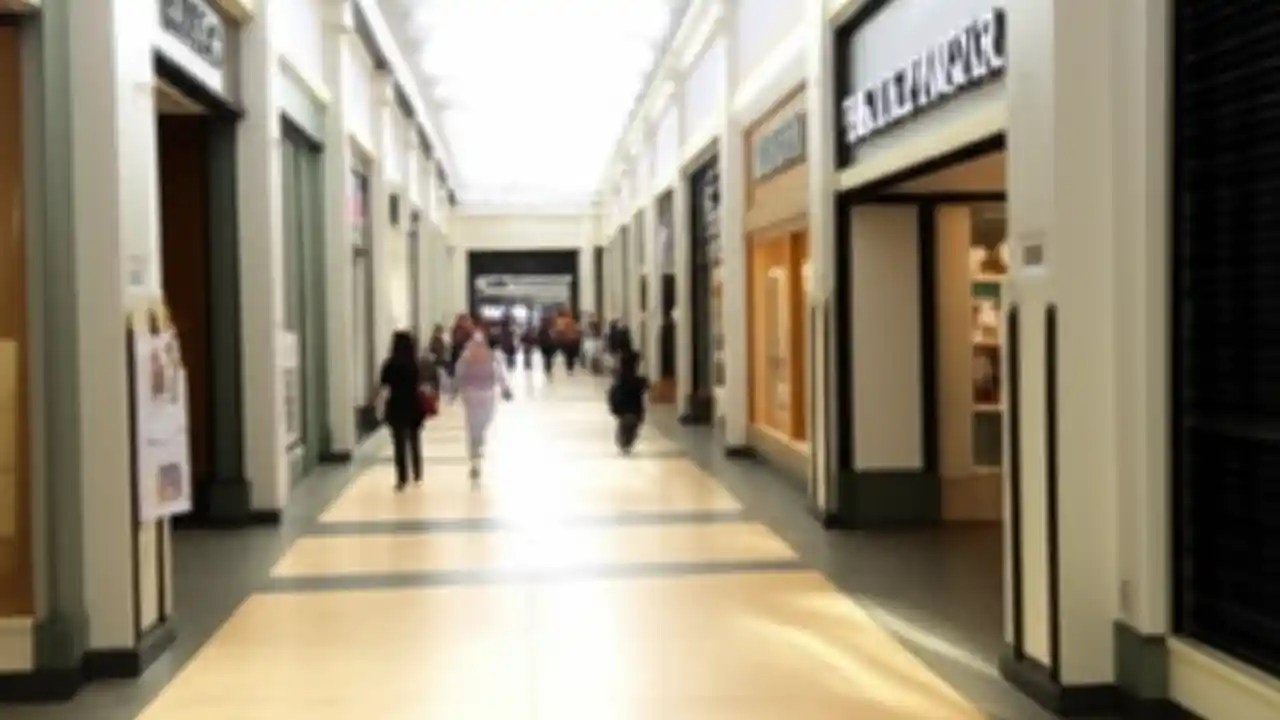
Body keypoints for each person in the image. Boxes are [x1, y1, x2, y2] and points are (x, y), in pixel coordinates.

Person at [452, 331, 513, 482]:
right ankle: (475, 455)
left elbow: (499, 374)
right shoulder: (467, 357)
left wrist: (505, 389)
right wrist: (454, 389)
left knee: (480, 423)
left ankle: (477, 446)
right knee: (476, 425)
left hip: (481, 395)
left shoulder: (491, 357)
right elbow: (459, 375)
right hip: (476, 395)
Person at [377, 331, 430, 491]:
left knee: (399, 443)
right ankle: (417, 473)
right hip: (414, 405)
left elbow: (384, 383)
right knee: (415, 441)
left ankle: (401, 478)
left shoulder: (390, 364)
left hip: (396, 405)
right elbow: (422, 382)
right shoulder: (415, 364)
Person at [608, 351, 650, 455]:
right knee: (631, 426)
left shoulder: (620, 377)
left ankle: (624, 444)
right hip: (633, 408)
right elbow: (642, 385)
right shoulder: (633, 378)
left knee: (627, 425)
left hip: (624, 408)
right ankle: (626, 444)